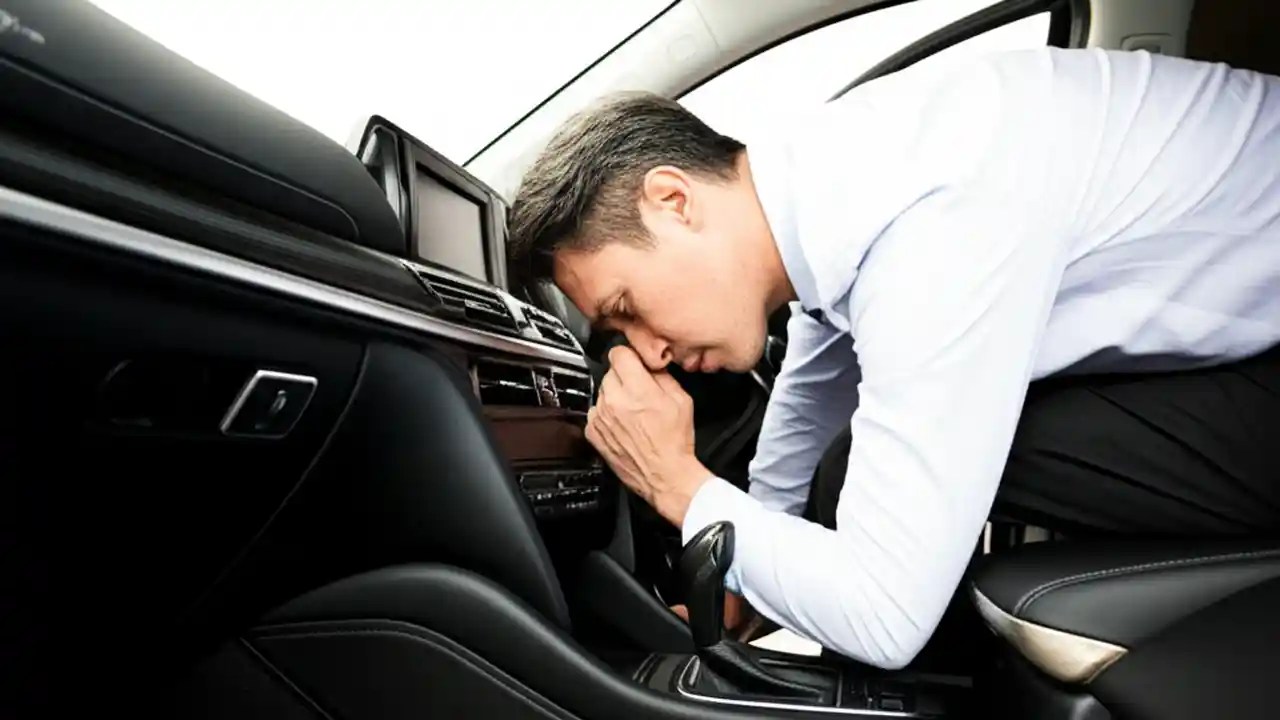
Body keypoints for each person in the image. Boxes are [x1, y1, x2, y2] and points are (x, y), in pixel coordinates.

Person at [504, 46, 1280, 670]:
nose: (648, 352)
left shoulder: (931, 224)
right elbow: (808, 396)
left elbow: (887, 618)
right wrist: (746, 581)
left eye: (626, 309)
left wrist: (678, 485)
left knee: (899, 476)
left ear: (674, 201)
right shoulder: (832, 190)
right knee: (846, 472)